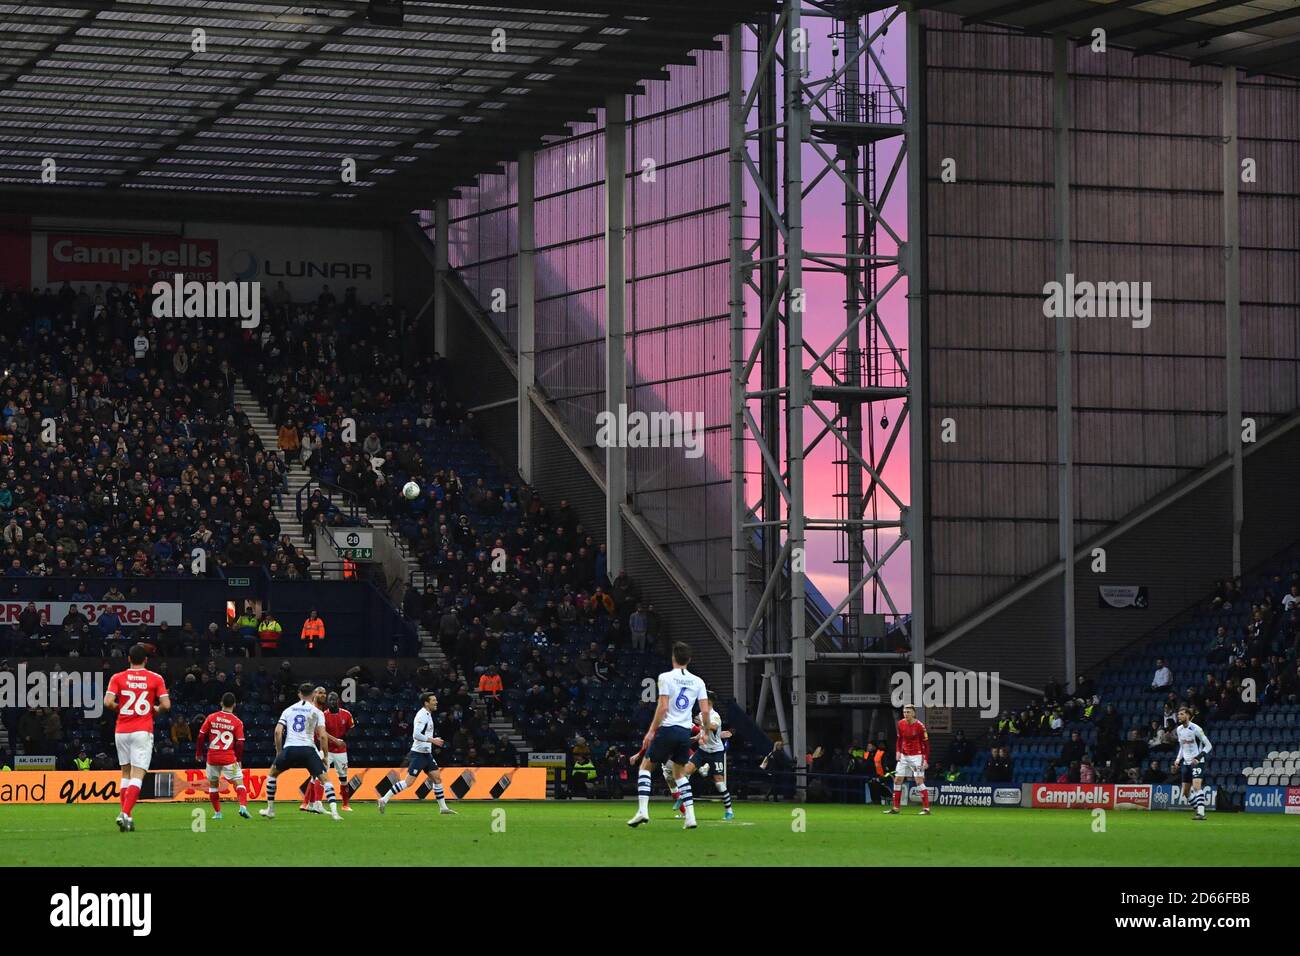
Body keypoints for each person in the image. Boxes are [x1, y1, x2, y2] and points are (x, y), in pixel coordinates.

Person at [627, 641, 711, 830]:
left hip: (667, 729)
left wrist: (650, 731)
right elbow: (704, 711)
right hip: (684, 732)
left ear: (673, 658)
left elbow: (663, 707)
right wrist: (704, 732)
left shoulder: (665, 677)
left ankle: (642, 811)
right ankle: (690, 817)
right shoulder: (698, 681)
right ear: (689, 659)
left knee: (645, 767)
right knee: (680, 774)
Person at [104, 643, 171, 832]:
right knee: (138, 774)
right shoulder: (155, 678)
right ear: (146, 660)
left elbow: (108, 702)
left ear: (128, 659)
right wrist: (154, 710)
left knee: (125, 773)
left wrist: (123, 709)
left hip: (121, 730)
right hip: (142, 730)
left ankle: (128, 817)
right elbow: (166, 704)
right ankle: (124, 813)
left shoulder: (117, 677)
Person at [260, 682, 341, 821]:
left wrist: (280, 753)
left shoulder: (288, 710)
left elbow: (278, 732)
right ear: (313, 695)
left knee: (272, 774)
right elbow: (322, 736)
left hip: (290, 748)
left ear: (299, 694)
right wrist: (325, 755)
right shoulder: (317, 712)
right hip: (308, 750)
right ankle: (335, 813)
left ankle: (270, 810)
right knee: (325, 779)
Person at [377, 692, 458, 816]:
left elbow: (424, 733)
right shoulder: (421, 715)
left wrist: (432, 739)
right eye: (433, 700)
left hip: (427, 754)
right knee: (409, 782)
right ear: (426, 703)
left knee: (437, 778)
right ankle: (383, 799)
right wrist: (433, 740)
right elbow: (416, 734)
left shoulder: (428, 714)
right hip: (418, 754)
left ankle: (443, 808)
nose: (436, 702)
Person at [195, 692, 250, 820]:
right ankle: (242, 807)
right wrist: (239, 760)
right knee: (239, 782)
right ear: (234, 705)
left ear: (221, 703)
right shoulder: (237, 722)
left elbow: (200, 736)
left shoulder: (211, 717)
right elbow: (240, 743)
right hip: (228, 758)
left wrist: (198, 753)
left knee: (213, 786)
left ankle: (218, 813)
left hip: (212, 758)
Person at [680, 707, 734, 821]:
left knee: (719, 783)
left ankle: (729, 811)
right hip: (703, 750)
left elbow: (713, 727)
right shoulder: (701, 714)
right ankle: (683, 797)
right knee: (684, 773)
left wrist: (703, 723)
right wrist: (695, 738)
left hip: (716, 752)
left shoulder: (715, 715)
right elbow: (703, 732)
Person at [885, 704, 931, 815]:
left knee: (919, 781)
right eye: (905, 712)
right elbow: (899, 739)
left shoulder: (920, 726)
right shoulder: (900, 723)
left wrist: (925, 760)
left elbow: (926, 744)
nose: (906, 714)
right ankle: (896, 808)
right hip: (904, 756)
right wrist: (898, 751)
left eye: (908, 712)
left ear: (914, 713)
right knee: (897, 780)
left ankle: (926, 809)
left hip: (917, 757)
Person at [1173, 706, 1213, 821]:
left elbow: (1209, 745)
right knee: (1185, 792)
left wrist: (1198, 757)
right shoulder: (1179, 729)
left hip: (1197, 762)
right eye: (1178, 714)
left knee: (1196, 787)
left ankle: (1201, 813)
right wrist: (1177, 760)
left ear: (1188, 715)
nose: (1178, 716)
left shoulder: (1196, 729)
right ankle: (1198, 809)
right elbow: (1182, 746)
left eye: (1181, 714)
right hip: (1186, 763)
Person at [323, 691, 355, 812]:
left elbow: (351, 729)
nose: (332, 702)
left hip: (341, 751)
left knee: (343, 778)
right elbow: (320, 733)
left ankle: (345, 804)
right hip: (326, 751)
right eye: (330, 700)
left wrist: (344, 739)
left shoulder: (346, 714)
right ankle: (317, 803)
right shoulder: (323, 715)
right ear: (327, 702)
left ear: (338, 701)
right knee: (320, 777)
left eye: (334, 699)